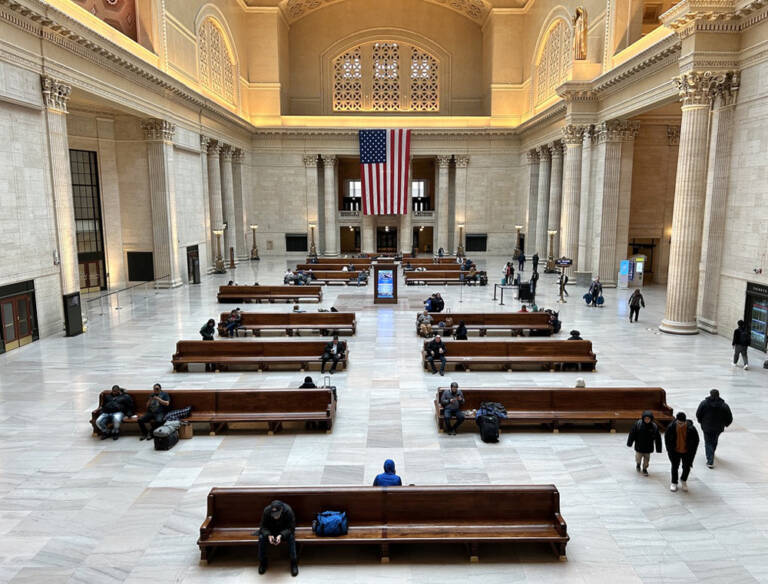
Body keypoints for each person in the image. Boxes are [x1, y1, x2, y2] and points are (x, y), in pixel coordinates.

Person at [257, 500, 298, 576]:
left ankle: (293, 562)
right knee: (261, 537)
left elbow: (291, 528)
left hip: (284, 531)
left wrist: (281, 535)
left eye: (277, 514)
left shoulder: (288, 510)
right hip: (271, 531)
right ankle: (263, 562)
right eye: (273, 514)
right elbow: (263, 527)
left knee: (291, 537)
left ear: (281, 509)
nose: (275, 516)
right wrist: (268, 535)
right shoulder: (266, 510)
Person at [696, 389, 733, 468]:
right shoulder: (724, 405)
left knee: (708, 442)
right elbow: (729, 417)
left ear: (710, 394)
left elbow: (698, 413)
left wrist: (701, 422)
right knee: (714, 441)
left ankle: (710, 460)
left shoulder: (704, 403)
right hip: (718, 428)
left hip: (707, 427)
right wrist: (726, 424)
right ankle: (711, 453)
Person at [664, 412, 700, 492]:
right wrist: (669, 449)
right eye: (679, 422)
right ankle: (674, 482)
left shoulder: (691, 428)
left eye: (682, 423)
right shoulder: (671, 427)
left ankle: (683, 480)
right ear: (677, 420)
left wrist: (692, 450)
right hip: (675, 451)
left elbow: (696, 440)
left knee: (687, 467)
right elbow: (667, 439)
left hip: (687, 451)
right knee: (674, 466)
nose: (680, 424)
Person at [627, 410, 662, 476]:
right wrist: (630, 442)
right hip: (639, 446)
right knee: (638, 458)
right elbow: (632, 434)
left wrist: (658, 448)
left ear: (651, 419)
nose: (647, 420)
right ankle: (638, 464)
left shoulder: (654, 426)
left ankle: (645, 469)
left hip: (648, 447)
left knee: (647, 460)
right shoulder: (638, 424)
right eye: (645, 419)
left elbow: (658, 438)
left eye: (648, 419)